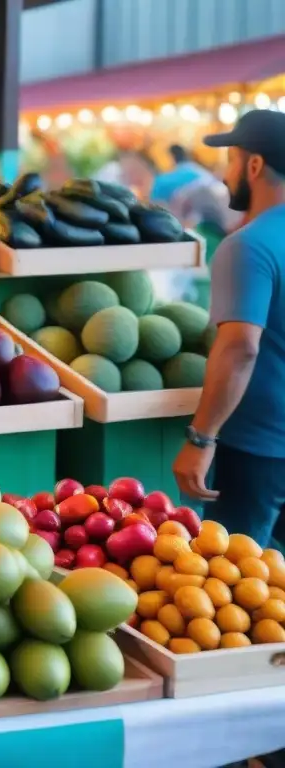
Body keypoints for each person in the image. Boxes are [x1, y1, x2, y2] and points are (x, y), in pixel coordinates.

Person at [172, 109, 285, 547]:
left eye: (231, 161)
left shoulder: (248, 246)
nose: (223, 176)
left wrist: (201, 438)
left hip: (257, 453)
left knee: (242, 588)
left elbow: (240, 347)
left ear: (254, 166)